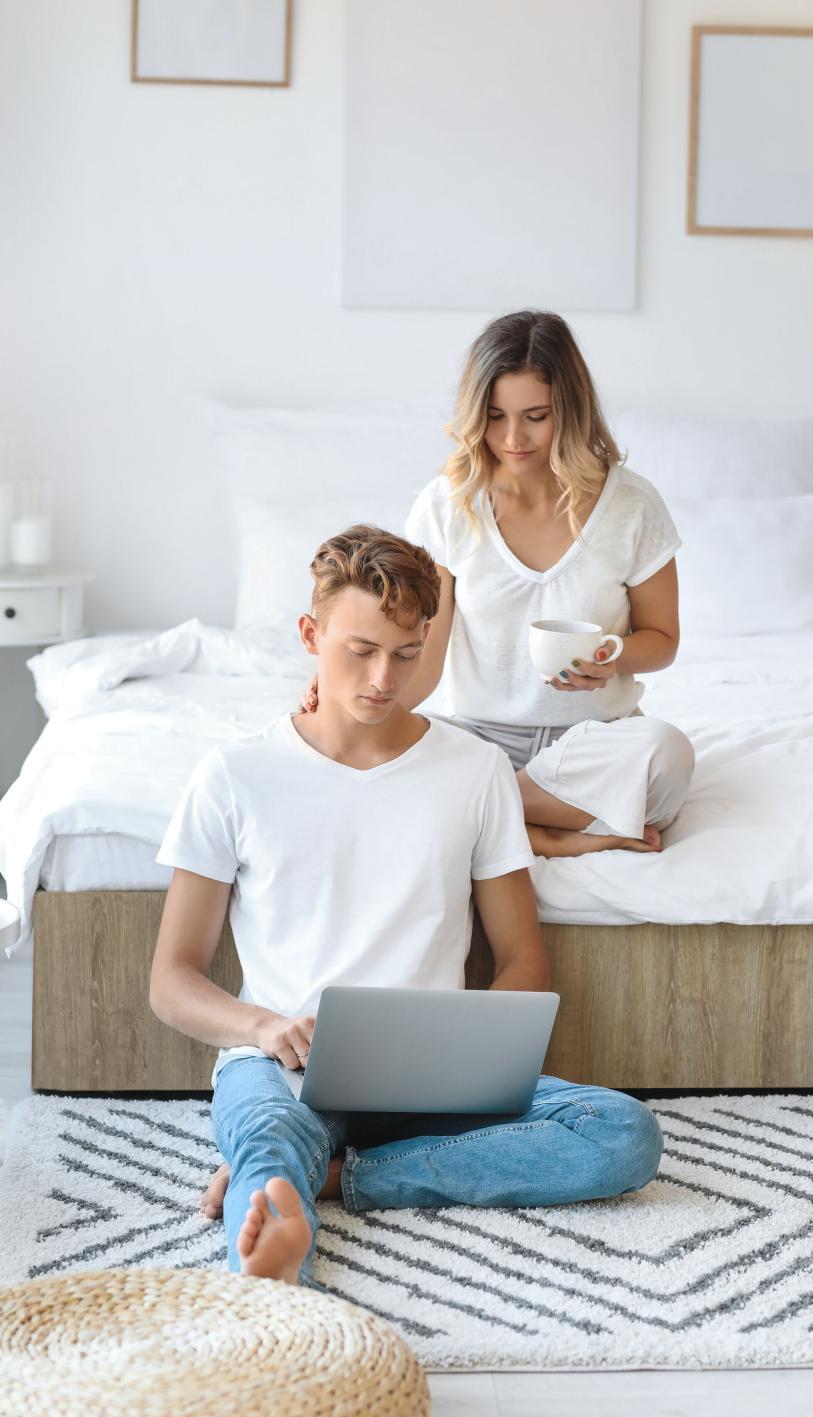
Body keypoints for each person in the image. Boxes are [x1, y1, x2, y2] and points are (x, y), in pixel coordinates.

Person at [150, 526, 663, 1283]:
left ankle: (336, 1181)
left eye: (406, 653)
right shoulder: (234, 774)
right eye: (360, 650)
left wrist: (477, 1050)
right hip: (281, 1067)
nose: (383, 678)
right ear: (310, 634)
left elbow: (521, 955)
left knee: (622, 1134)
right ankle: (272, 1293)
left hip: (434, 1080)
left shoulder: (475, 769)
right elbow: (172, 979)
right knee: (269, 1135)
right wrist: (266, 1027)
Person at [301, 310, 694, 861]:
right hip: (479, 741)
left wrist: (614, 656)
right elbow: (426, 659)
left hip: (594, 740)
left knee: (666, 754)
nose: (513, 438)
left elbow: (664, 640)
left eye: (536, 416)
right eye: (494, 416)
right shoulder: (446, 506)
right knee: (385, 758)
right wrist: (356, 708)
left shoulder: (631, 504)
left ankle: (473, 811)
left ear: (571, 411)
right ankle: (554, 836)